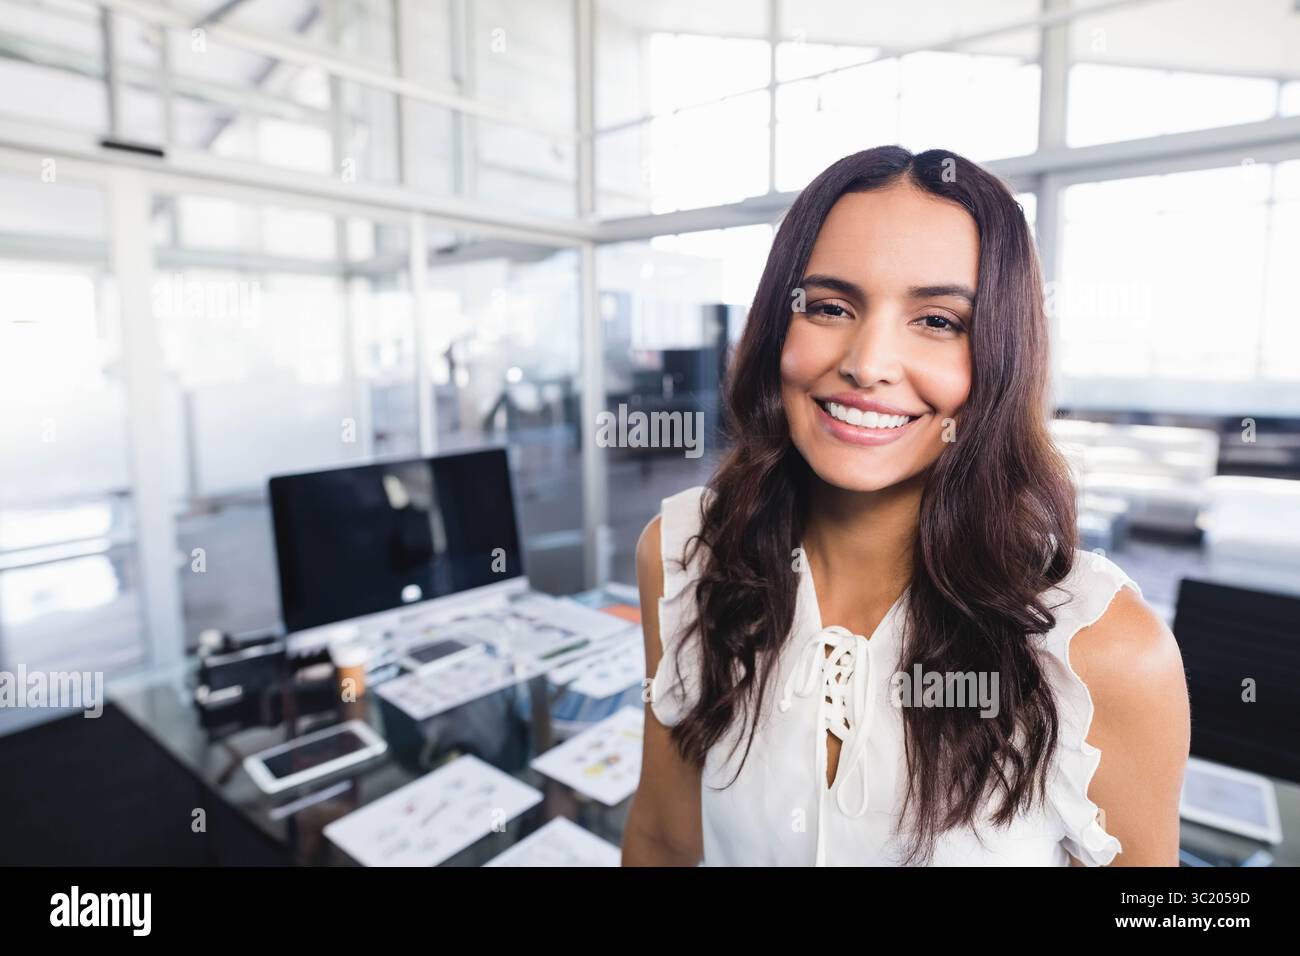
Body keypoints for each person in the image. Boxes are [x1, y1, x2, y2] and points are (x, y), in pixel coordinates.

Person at [621, 145, 1190, 867]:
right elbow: (663, 839)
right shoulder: (679, 554)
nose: (867, 362)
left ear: (1001, 355)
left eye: (939, 321)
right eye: (830, 306)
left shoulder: (1105, 653)